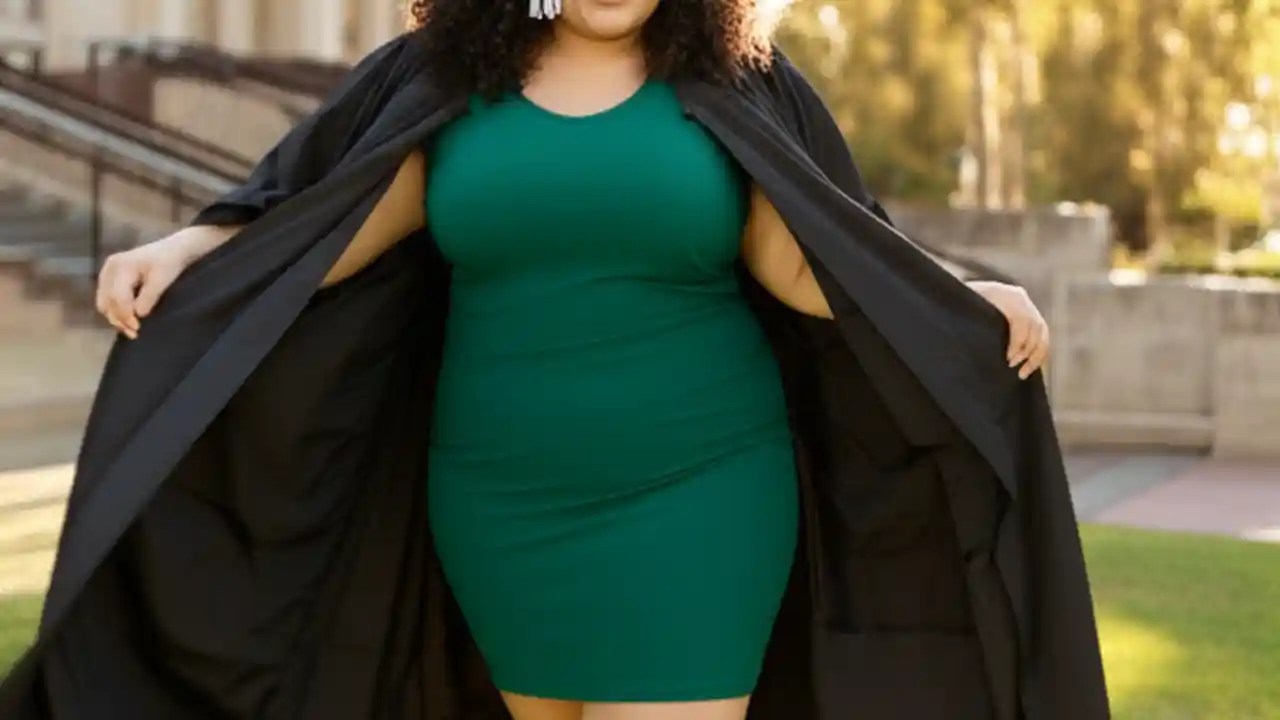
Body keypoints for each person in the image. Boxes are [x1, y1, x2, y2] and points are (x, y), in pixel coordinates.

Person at [2, 2, 1106, 719]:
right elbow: (321, 223)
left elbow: (812, 254)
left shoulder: (739, 82)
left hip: (702, 497)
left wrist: (948, 294)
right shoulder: (438, 83)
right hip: (500, 505)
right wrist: (189, 247)